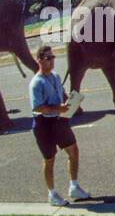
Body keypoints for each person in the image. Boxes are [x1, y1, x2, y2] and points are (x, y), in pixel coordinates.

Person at [29, 44, 89, 207]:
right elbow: (38, 107)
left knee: (73, 151)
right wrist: (59, 108)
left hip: (58, 120)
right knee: (49, 159)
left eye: (53, 57)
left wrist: (69, 100)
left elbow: (60, 93)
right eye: (48, 58)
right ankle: (52, 194)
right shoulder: (36, 83)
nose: (51, 61)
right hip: (43, 124)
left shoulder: (55, 76)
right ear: (40, 60)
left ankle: (74, 187)